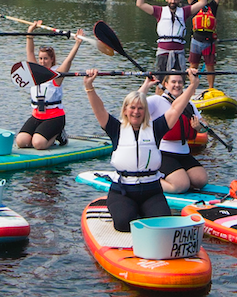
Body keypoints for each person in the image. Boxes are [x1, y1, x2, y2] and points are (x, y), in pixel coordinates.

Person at [83, 67, 199, 232]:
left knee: (162, 226)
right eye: (132, 108)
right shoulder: (115, 128)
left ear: (146, 112)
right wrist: (89, 87)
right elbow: (99, 109)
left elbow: (175, 109)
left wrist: (192, 85)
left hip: (151, 191)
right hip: (122, 191)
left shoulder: (156, 128)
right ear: (125, 110)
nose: (136, 112)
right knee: (124, 224)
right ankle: (128, 211)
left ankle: (144, 211)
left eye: (140, 108)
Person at [16, 20, 84, 150]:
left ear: (52, 60)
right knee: (21, 141)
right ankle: (43, 135)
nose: (42, 62)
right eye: (40, 58)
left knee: (38, 144)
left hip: (55, 117)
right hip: (37, 115)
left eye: (45, 59)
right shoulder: (34, 72)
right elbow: (30, 51)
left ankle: (58, 134)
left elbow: (68, 61)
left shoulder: (56, 76)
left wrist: (77, 44)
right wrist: (30, 32)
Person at [147, 71, 207, 193]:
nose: (177, 85)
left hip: (183, 153)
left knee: (201, 181)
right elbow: (136, 104)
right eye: (173, 82)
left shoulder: (188, 104)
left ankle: (177, 177)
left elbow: (205, 126)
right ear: (166, 84)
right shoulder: (157, 101)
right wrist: (146, 86)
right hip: (162, 153)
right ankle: (148, 179)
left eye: (180, 82)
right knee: (181, 185)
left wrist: (199, 128)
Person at [136, 0, 207, 71]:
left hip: (179, 52)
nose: (173, 1)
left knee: (178, 81)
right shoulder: (159, 11)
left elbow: (202, 2)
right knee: (160, 81)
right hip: (163, 52)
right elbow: (140, 4)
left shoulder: (184, 11)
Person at [186, 0, 223, 88]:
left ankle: (211, 88)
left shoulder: (212, 6)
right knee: (193, 66)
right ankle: (192, 87)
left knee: (210, 66)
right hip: (195, 41)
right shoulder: (194, 6)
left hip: (208, 42)